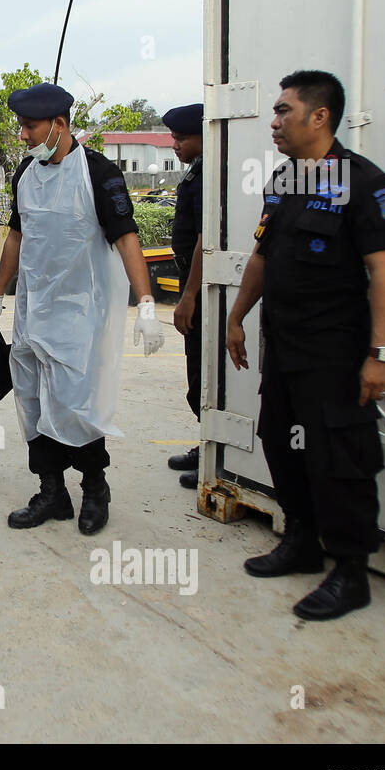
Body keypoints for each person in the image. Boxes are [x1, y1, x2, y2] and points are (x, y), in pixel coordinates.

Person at [226, 70, 385, 621]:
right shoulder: (282, 181)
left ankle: (351, 574)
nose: (274, 123)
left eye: (284, 111)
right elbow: (260, 257)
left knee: (339, 459)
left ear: (319, 116)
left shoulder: (367, 184)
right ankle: (301, 543)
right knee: (281, 442)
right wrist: (236, 318)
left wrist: (381, 355)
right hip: (283, 347)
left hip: (334, 355)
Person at [0, 82, 164, 535]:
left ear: (59, 125)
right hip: (33, 308)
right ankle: (51, 492)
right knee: (33, 398)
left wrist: (145, 303)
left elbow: (126, 238)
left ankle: (94, 489)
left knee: (77, 403)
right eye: (21, 125)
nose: (22, 134)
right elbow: (17, 237)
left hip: (82, 312)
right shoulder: (25, 172)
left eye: (30, 126)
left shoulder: (100, 173)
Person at [162, 103, 204, 490]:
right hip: (195, 283)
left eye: (181, 138)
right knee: (198, 374)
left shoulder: (210, 177)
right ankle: (208, 443)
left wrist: (188, 296)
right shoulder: (196, 172)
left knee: (204, 374)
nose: (174, 144)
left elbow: (206, 241)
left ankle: (213, 451)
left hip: (203, 291)